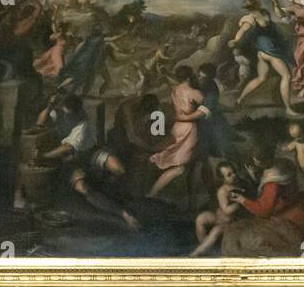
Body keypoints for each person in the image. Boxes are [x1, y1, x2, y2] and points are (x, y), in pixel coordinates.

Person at [37, 93, 140, 230]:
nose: (69, 117)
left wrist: (44, 156)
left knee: (119, 169)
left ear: (78, 111)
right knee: (83, 188)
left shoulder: (82, 122)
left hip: (90, 153)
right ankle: (123, 214)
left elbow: (68, 147)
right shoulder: (60, 113)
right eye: (67, 113)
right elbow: (39, 124)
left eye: (72, 114)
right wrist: (49, 107)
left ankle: (108, 192)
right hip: (73, 161)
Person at [147, 66, 207, 201]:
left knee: (185, 163)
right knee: (181, 167)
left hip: (178, 127)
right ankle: (152, 194)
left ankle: (189, 199)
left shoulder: (175, 89)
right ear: (188, 77)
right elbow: (209, 106)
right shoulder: (193, 92)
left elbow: (171, 81)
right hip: (189, 130)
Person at [231, 0, 297, 115]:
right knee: (286, 76)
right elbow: (241, 31)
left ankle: (239, 100)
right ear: (257, 3)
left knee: (261, 78)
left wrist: (275, 3)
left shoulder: (264, 12)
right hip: (269, 51)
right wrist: (235, 40)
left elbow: (279, 15)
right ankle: (288, 109)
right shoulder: (250, 19)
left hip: (263, 52)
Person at [189, 162, 241, 257]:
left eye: (234, 172)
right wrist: (239, 202)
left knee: (216, 230)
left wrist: (241, 201)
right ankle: (204, 245)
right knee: (201, 218)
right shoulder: (222, 190)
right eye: (229, 175)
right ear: (222, 179)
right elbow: (226, 210)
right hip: (219, 217)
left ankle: (198, 252)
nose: (234, 175)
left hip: (230, 222)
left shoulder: (241, 186)